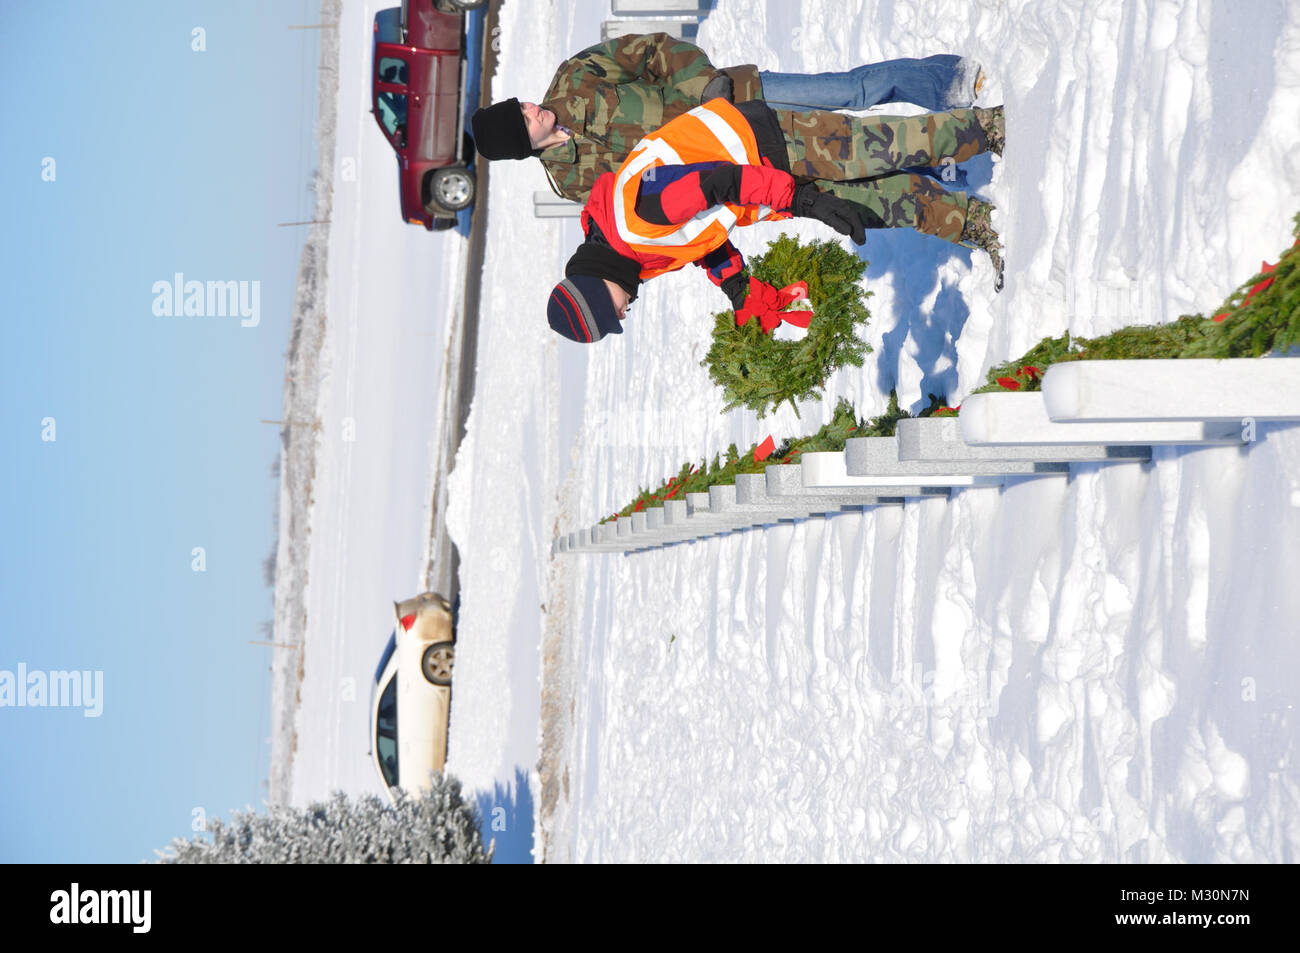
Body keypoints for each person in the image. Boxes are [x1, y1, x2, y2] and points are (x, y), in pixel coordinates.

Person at [547, 96, 1005, 344]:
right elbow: (699, 237)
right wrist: (738, 288)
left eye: (611, 311)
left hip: (768, 146)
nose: (623, 312)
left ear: (594, 286)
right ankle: (972, 222)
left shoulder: (634, 216)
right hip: (766, 182)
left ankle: (987, 129)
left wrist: (802, 200)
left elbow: (719, 181)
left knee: (884, 146)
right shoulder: (626, 251)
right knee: (871, 208)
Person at [471, 32, 985, 204]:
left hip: (740, 96)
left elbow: (652, 51)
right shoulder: (572, 180)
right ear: (524, 142)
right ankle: (937, 159)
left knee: (849, 91)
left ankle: (948, 83)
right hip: (743, 153)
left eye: (520, 102)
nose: (531, 106)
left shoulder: (573, 78)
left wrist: (706, 89)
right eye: (522, 117)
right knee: (848, 160)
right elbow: (654, 193)